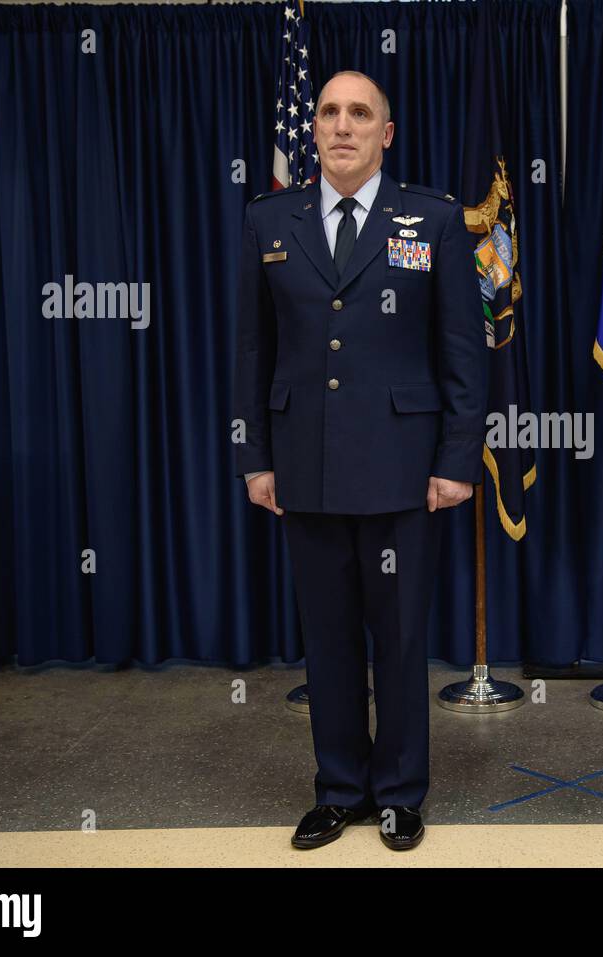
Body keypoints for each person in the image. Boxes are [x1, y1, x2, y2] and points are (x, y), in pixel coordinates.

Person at [232, 70, 486, 851]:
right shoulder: (269, 219)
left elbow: (462, 355)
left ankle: (400, 793)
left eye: (360, 113)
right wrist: (255, 456)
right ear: (313, 129)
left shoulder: (433, 220)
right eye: (330, 112)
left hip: (405, 467)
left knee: (401, 635)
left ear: (387, 131)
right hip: (304, 464)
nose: (342, 125)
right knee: (329, 635)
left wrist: (457, 460)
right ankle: (338, 787)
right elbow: (252, 350)